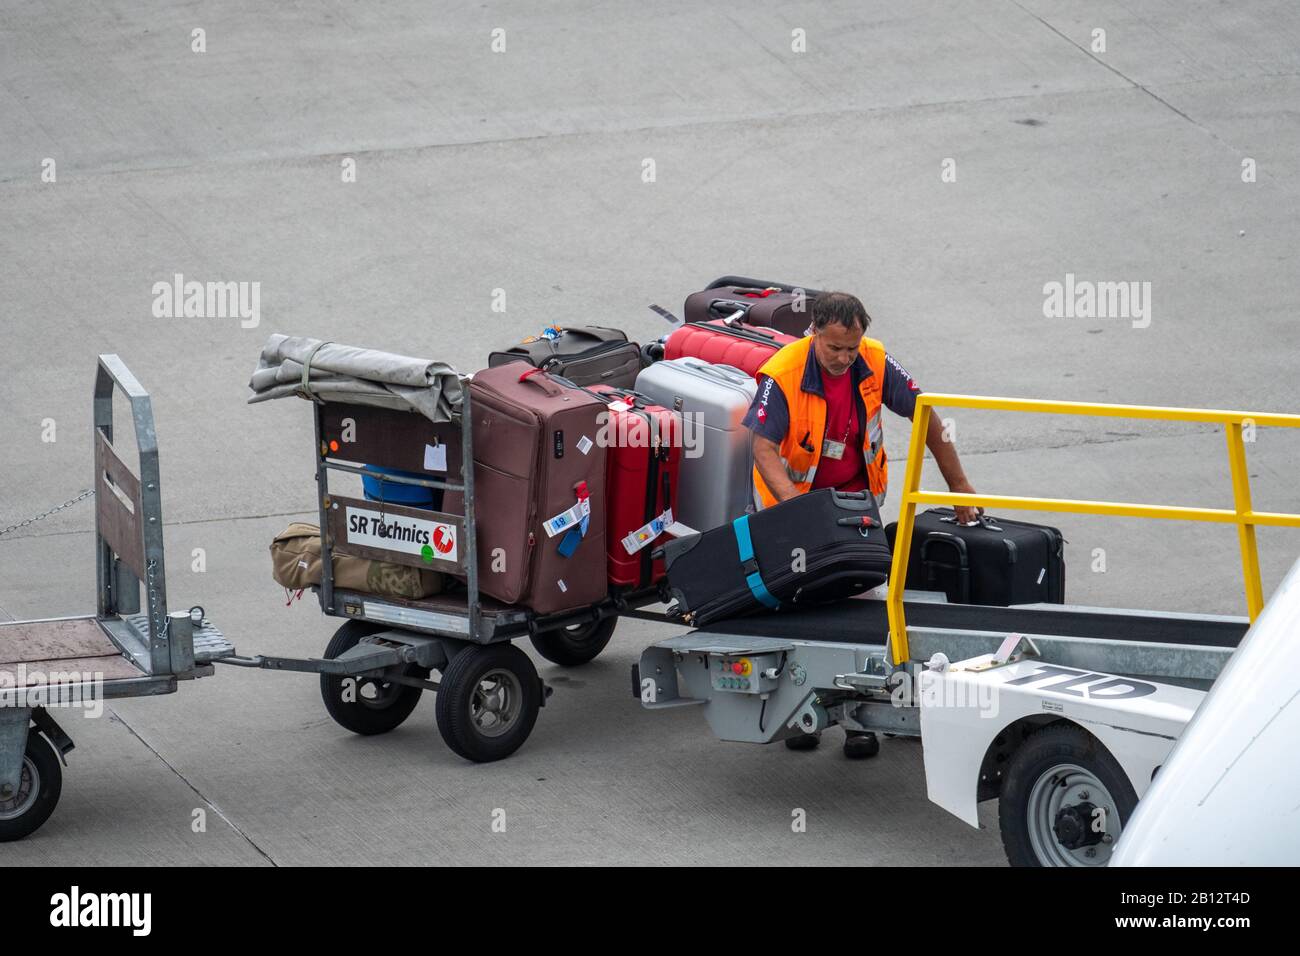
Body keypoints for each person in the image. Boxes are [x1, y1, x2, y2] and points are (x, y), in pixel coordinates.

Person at [740, 291, 979, 759]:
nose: (845, 359)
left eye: (851, 349)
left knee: (861, 605)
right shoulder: (782, 374)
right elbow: (763, 449)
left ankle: (857, 722)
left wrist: (959, 485)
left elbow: (926, 414)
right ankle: (797, 718)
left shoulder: (874, 360)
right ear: (814, 334)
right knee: (797, 606)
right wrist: (796, 511)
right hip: (793, 506)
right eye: (834, 349)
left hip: (855, 502)